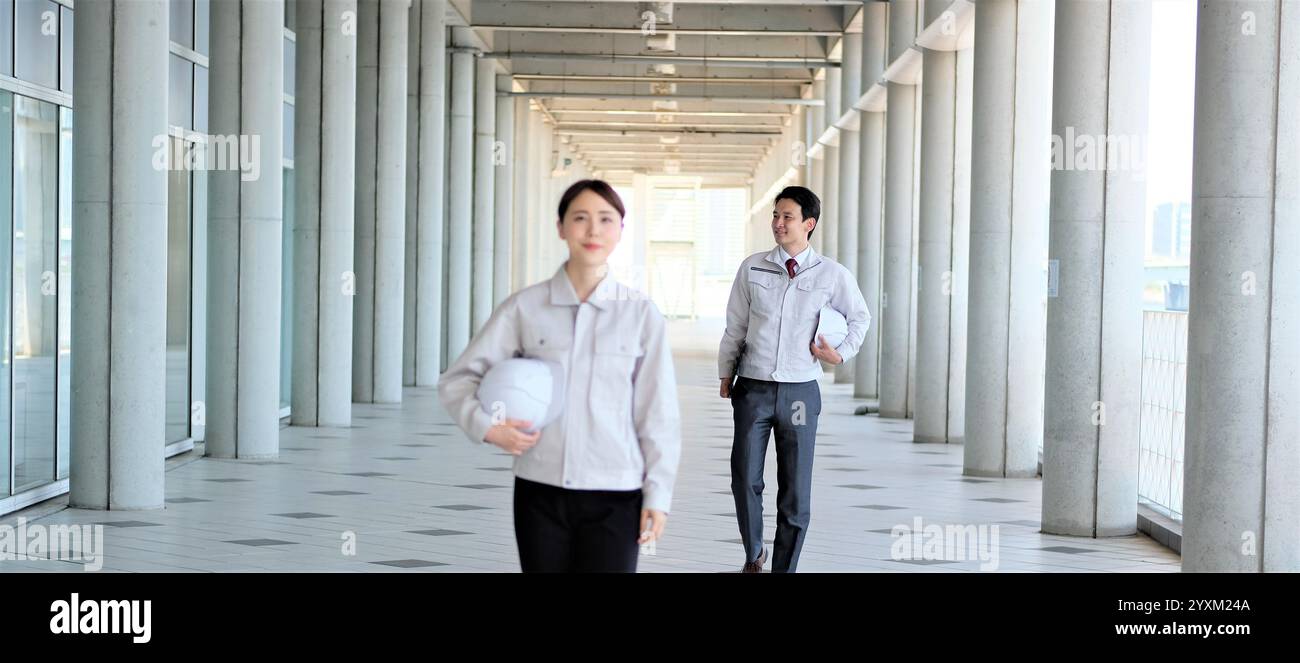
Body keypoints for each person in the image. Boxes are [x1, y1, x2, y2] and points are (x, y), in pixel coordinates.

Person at [438, 179, 681, 573]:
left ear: (621, 230)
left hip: (617, 492)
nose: (593, 230)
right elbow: (458, 380)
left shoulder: (640, 314)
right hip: (540, 490)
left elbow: (658, 413)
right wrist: (488, 427)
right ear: (561, 227)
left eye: (606, 219)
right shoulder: (525, 307)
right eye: (580, 218)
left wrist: (658, 494)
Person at [718, 185, 870, 573]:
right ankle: (754, 553)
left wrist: (840, 354)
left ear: (809, 223)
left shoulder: (832, 274)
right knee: (744, 477)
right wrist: (726, 371)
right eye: (775, 215)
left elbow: (860, 318)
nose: (778, 223)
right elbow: (735, 325)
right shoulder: (753, 267)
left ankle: (784, 568)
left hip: (800, 392)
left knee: (795, 489)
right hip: (753, 387)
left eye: (787, 217)